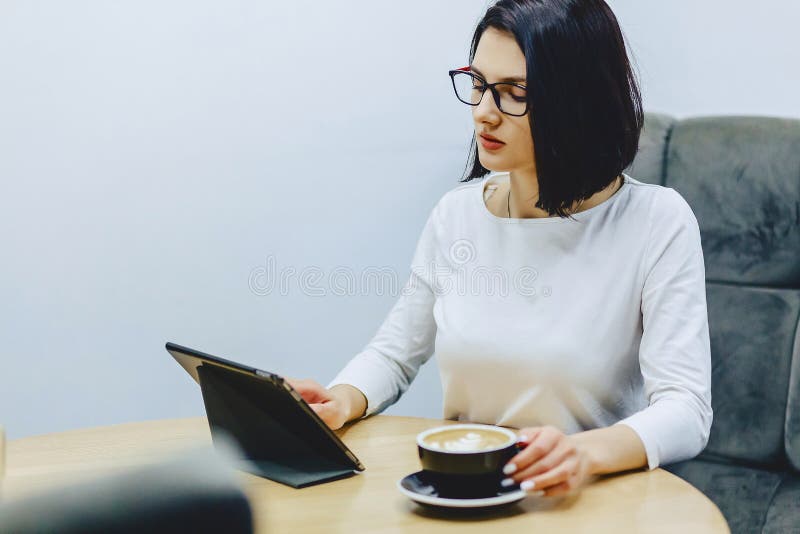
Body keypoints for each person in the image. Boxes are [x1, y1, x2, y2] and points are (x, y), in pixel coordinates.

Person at [288, 0, 712, 499]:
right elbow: (395, 353)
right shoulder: (456, 215)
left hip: (585, 496)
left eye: (515, 93)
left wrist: (584, 453)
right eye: (477, 83)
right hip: (468, 492)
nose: (483, 113)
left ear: (578, 100)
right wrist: (340, 400)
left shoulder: (657, 221)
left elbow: (686, 408)